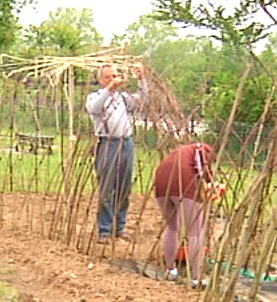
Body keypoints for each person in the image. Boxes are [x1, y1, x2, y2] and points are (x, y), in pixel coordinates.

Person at [85, 63, 147, 243]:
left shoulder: (123, 98)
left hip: (125, 143)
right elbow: (94, 109)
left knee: (124, 188)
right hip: (107, 144)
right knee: (106, 188)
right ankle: (104, 230)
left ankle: (119, 227)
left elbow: (143, 100)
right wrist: (109, 90)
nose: (113, 80)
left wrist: (141, 78)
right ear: (100, 80)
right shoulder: (95, 97)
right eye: (108, 77)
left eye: (115, 76)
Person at [153, 142, 220, 288]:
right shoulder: (203, 149)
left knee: (172, 227)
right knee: (195, 232)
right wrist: (211, 183)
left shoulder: (179, 152)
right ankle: (196, 278)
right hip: (183, 183)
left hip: (161, 184)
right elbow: (202, 169)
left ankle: (170, 270)